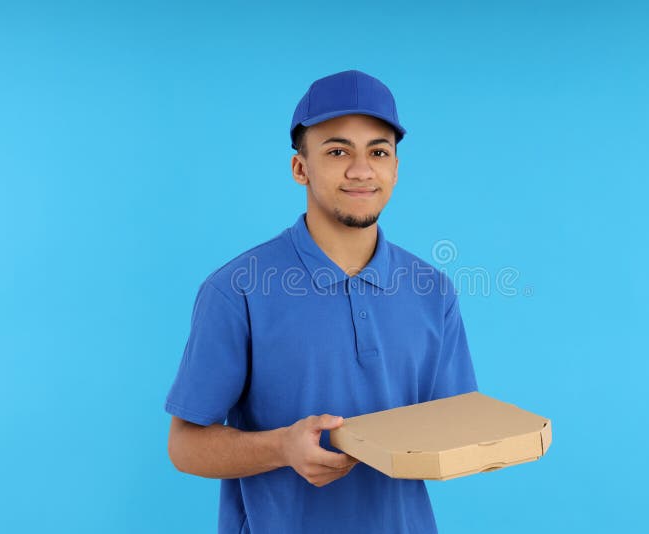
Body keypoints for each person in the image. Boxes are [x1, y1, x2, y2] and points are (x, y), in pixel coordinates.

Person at [165, 69, 478, 534]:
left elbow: (455, 425)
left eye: (378, 151)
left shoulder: (433, 291)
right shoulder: (237, 290)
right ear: (300, 168)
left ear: (395, 167)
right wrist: (281, 448)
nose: (361, 170)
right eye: (337, 151)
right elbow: (184, 446)